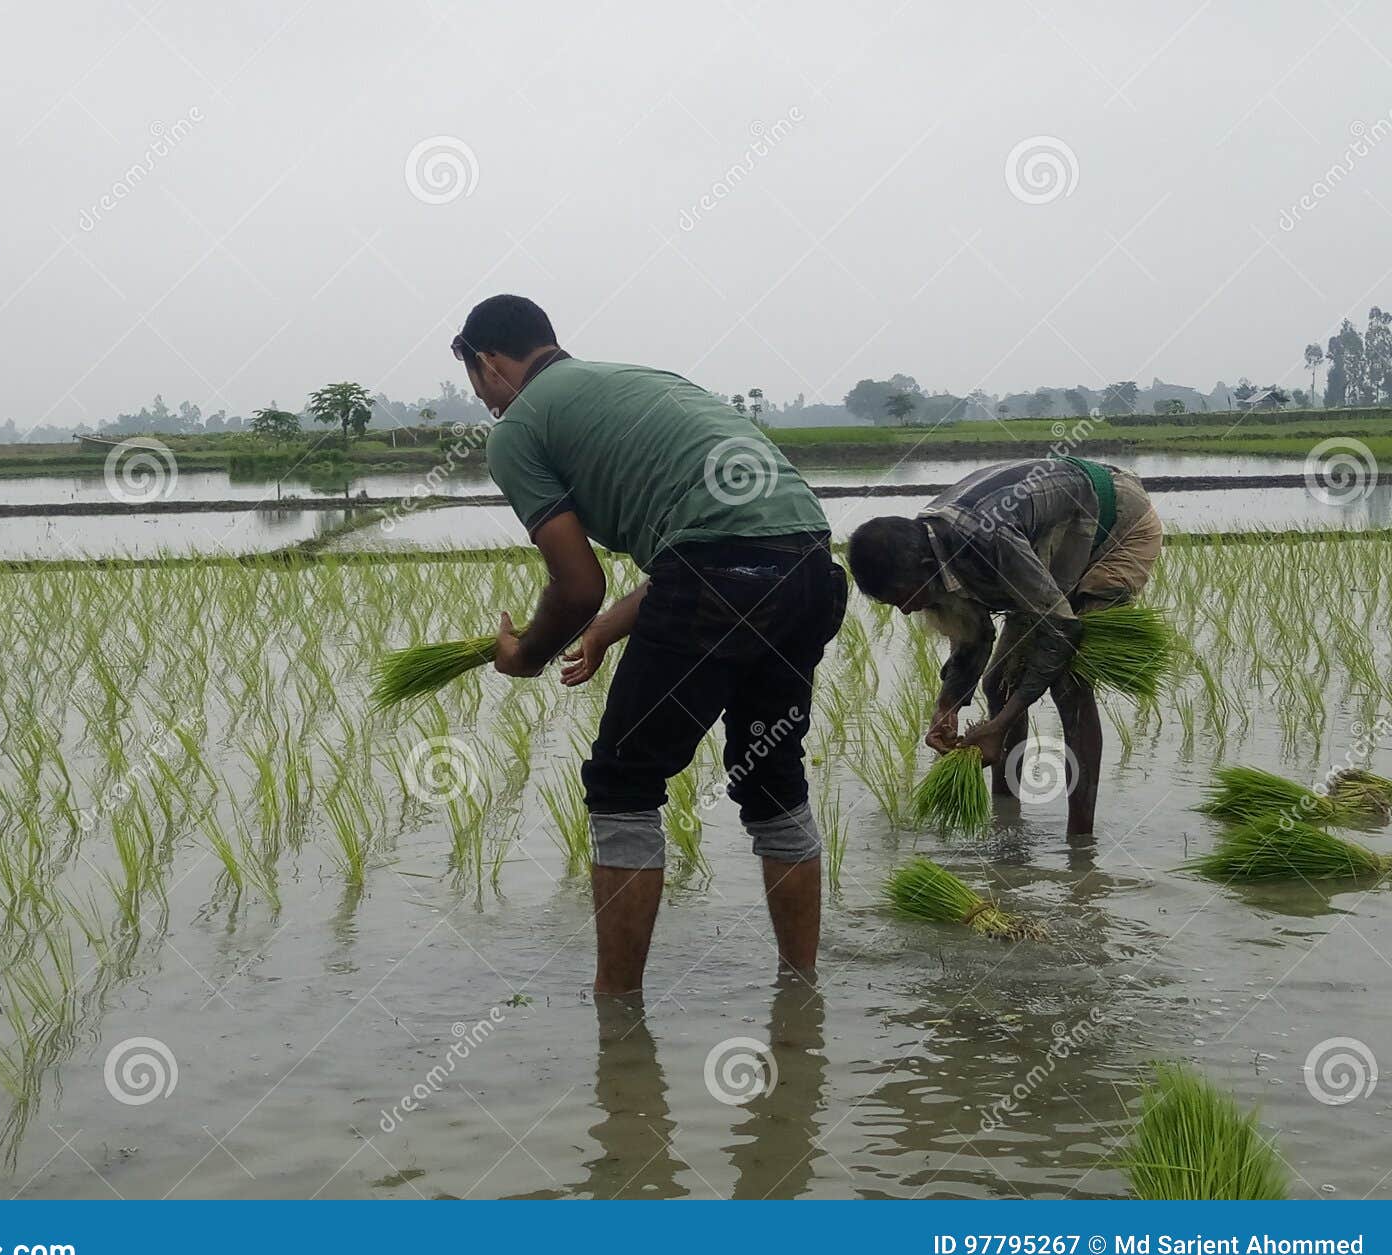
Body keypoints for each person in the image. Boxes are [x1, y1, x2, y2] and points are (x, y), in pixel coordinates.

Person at [454, 294, 847, 995]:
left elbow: (579, 585)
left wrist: (526, 656)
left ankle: (617, 1012)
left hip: (718, 577)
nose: (485, 402)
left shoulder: (519, 428)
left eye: (478, 383)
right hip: (811, 571)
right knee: (772, 779)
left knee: (623, 785)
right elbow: (726, 541)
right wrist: (606, 630)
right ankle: (801, 989)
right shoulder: (647, 381)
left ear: (489, 362)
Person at [845, 456, 1163, 836]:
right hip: (1050, 548)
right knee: (998, 683)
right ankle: (1007, 822)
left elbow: (1063, 629)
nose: (906, 609)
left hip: (1116, 524)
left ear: (924, 565)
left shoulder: (987, 539)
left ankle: (1080, 841)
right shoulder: (930, 547)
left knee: (1070, 685)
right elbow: (974, 635)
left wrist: (1000, 724)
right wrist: (947, 706)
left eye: (904, 596)